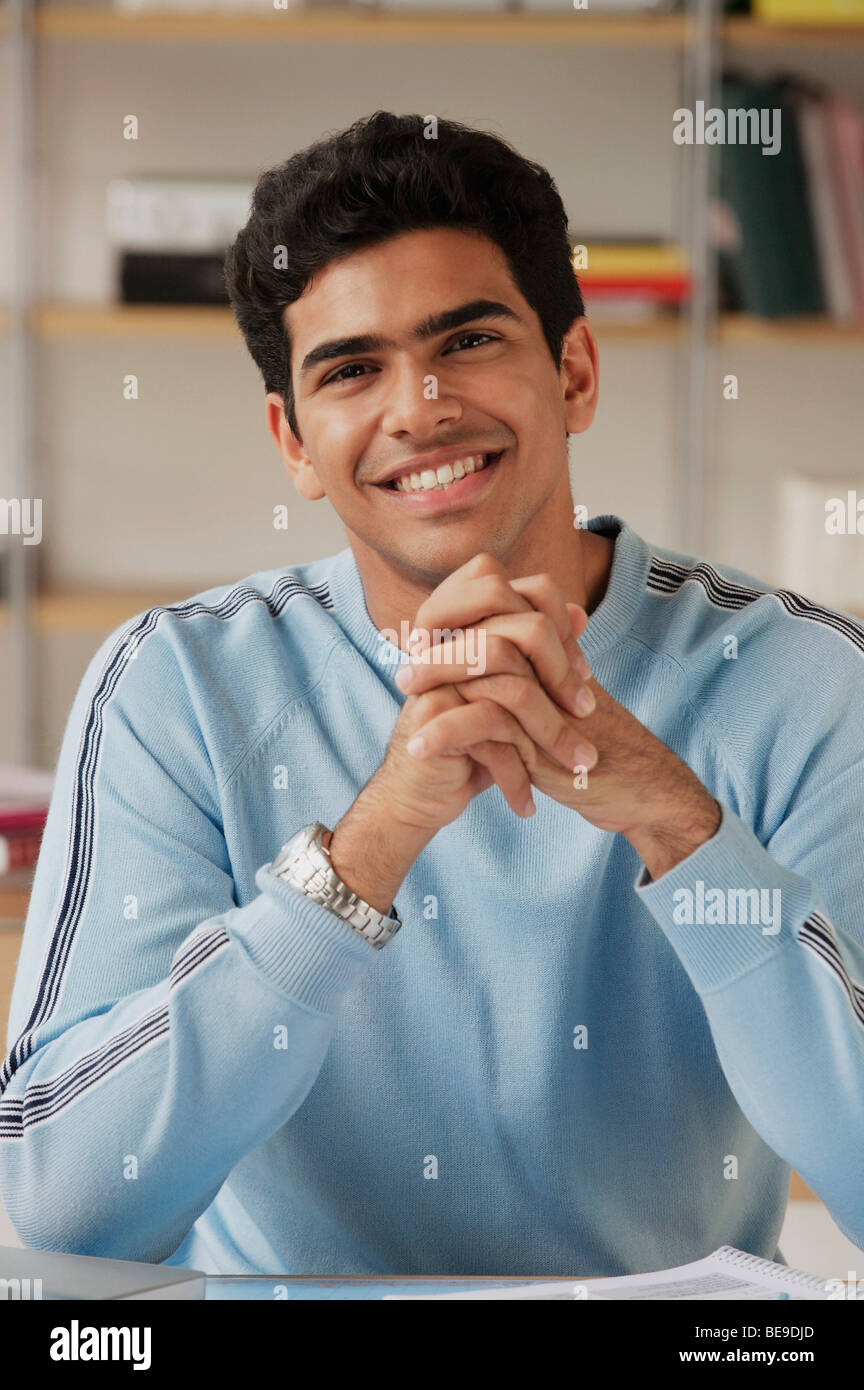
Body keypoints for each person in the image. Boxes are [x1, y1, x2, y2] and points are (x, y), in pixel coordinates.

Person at [1, 113, 862, 1278]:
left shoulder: (805, 678)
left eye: (467, 340)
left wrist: (678, 821)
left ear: (574, 370)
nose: (419, 406)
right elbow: (66, 1201)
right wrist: (367, 848)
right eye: (351, 369)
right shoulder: (174, 684)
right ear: (295, 442)